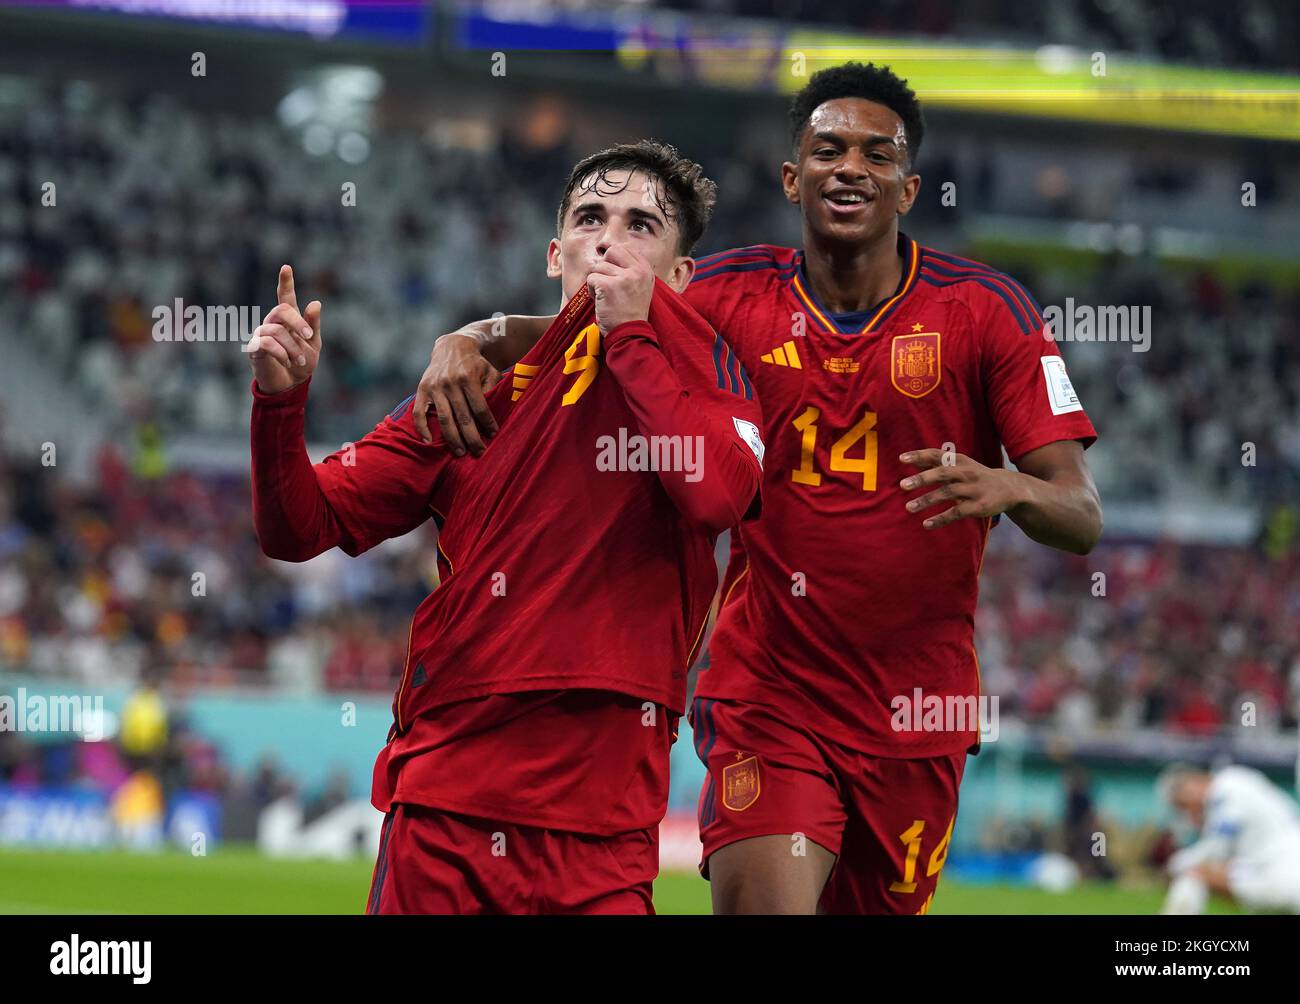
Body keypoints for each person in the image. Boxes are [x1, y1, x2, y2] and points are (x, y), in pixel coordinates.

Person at [413, 62, 1102, 914]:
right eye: (826, 149)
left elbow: (1081, 515)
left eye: (876, 155)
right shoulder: (727, 293)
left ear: (908, 185)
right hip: (767, 695)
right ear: (792, 176)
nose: (849, 167)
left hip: (918, 714)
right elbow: (587, 315)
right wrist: (472, 335)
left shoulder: (988, 312)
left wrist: (1009, 487)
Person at [247, 140, 764, 913]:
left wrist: (628, 335)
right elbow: (299, 527)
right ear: (558, 253)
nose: (609, 239)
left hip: (606, 832)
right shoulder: (471, 388)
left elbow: (714, 497)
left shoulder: (714, 379)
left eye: (640, 225)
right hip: (447, 805)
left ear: (681, 275)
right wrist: (280, 405)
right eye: (590, 218)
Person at [1159, 763, 1300, 914]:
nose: (1188, 812)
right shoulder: (1238, 783)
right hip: (1271, 868)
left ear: (1192, 784)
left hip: (1282, 873)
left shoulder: (1228, 787)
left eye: (1183, 805)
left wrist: (1177, 863)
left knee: (1193, 874)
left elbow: (1217, 849)